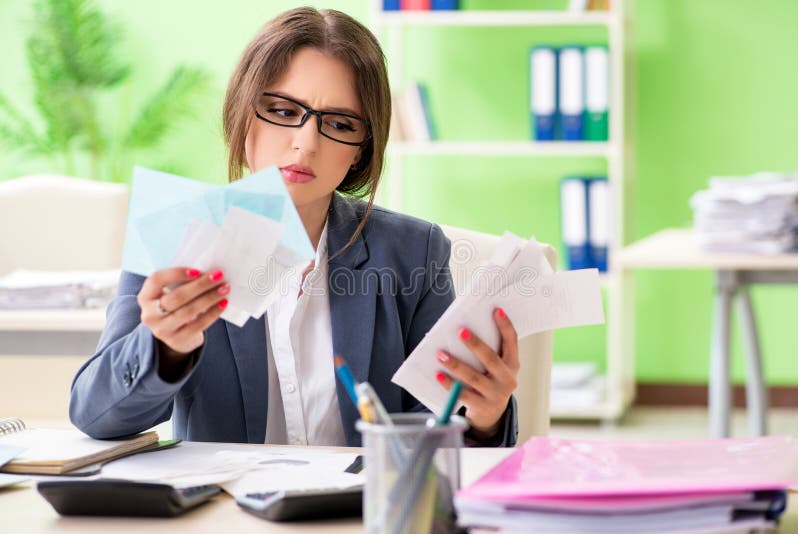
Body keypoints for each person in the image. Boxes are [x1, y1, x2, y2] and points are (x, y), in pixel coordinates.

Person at [69, 7, 520, 447]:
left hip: (360, 515)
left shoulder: (414, 251)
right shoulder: (176, 235)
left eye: (340, 124)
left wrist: (483, 419)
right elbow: (95, 415)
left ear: (360, 150)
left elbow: (435, 435)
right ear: (243, 113)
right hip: (225, 517)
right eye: (284, 112)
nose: (306, 144)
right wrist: (162, 348)